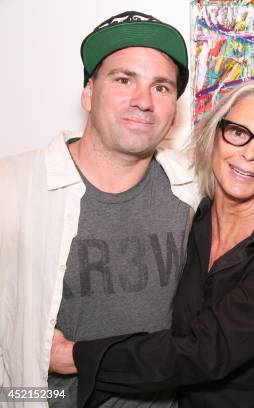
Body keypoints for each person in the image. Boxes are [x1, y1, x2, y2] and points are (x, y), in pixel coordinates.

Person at [49, 79, 254, 408]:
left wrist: (74, 355)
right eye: (237, 133)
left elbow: (206, 351)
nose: (249, 153)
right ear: (214, 138)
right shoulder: (190, 218)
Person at [0, 10, 200, 408]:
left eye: (161, 88)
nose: (143, 101)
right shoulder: (13, 186)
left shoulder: (194, 187)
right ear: (88, 93)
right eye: (124, 80)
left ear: (173, 110)